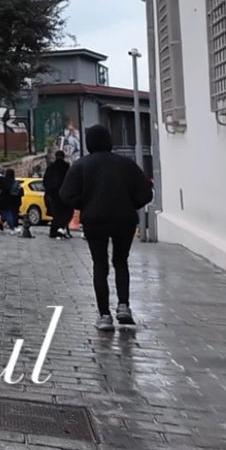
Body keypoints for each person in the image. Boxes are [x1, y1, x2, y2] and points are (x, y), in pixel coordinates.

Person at [59, 124, 154, 331]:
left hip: (95, 219)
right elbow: (146, 193)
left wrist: (85, 203)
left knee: (99, 265)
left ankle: (104, 315)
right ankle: (124, 306)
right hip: (124, 218)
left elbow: (66, 194)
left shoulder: (82, 165)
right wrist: (131, 203)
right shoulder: (126, 164)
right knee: (121, 261)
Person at [42, 150, 72, 239]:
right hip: (65, 194)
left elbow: (45, 182)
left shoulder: (50, 168)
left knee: (56, 214)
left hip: (53, 195)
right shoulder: (67, 167)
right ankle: (60, 230)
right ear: (63, 157)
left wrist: (48, 193)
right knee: (66, 214)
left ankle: (55, 231)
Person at [7, 167, 31, 238]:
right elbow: (21, 192)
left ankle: (7, 224)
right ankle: (14, 225)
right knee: (14, 214)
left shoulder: (6, 182)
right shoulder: (16, 183)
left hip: (8, 200)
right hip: (16, 200)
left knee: (7, 213)